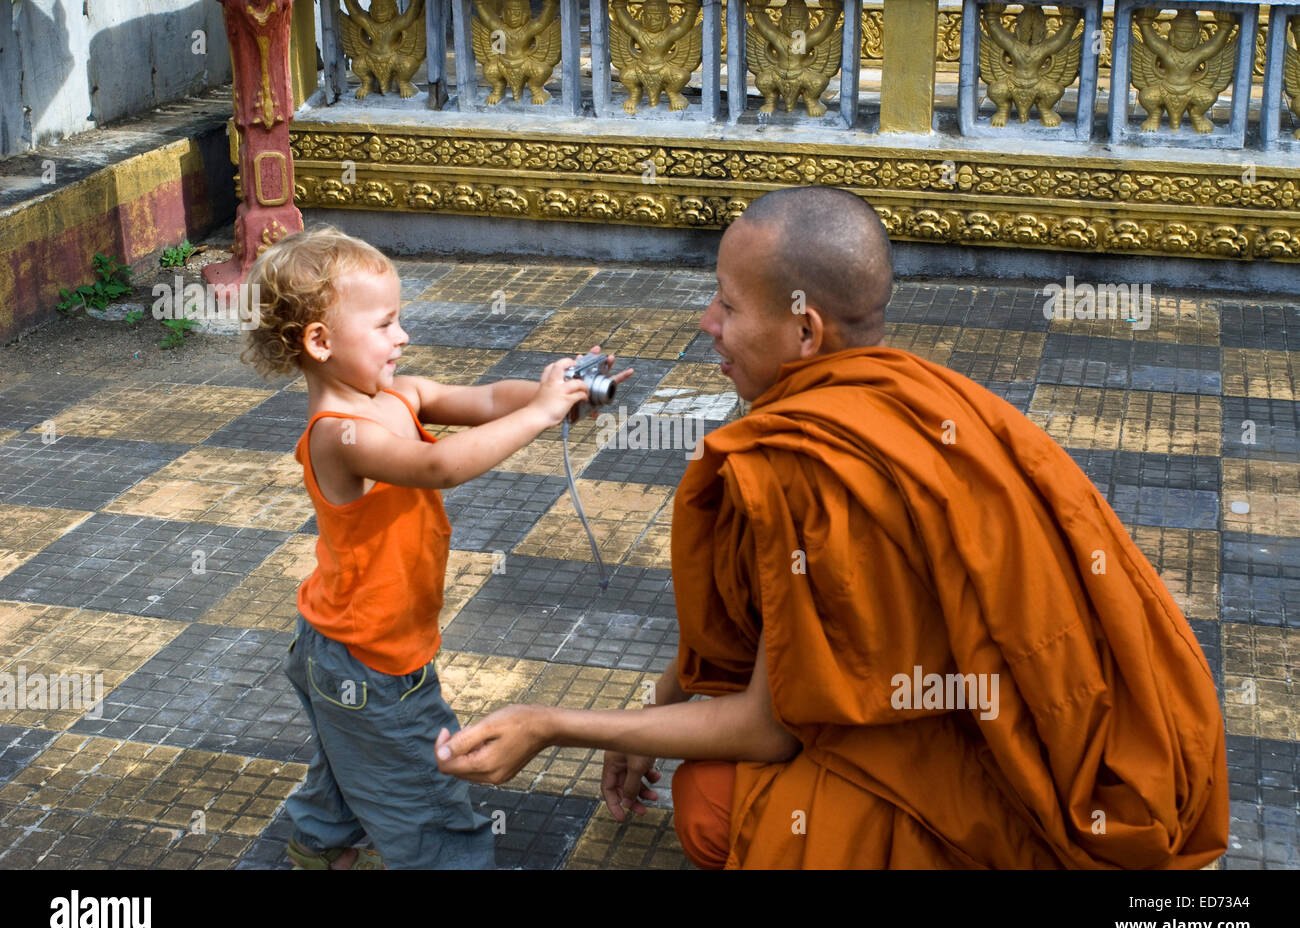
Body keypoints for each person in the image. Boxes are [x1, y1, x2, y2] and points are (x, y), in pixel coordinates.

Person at [434, 187, 1229, 869]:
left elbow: (766, 731)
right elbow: (785, 631)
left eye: (728, 304)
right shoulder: (918, 392)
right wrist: (656, 707)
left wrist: (548, 723)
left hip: (990, 768)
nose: (707, 322)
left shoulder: (801, 469)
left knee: (709, 806)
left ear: (805, 332)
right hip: (1005, 725)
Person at [240, 225, 629, 869]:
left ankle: (320, 847)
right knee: (425, 796)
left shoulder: (400, 393)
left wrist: (550, 393)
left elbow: (485, 400)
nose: (403, 337)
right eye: (387, 324)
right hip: (372, 662)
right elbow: (441, 467)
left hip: (338, 649)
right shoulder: (337, 435)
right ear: (320, 341)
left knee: (350, 761)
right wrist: (537, 416)